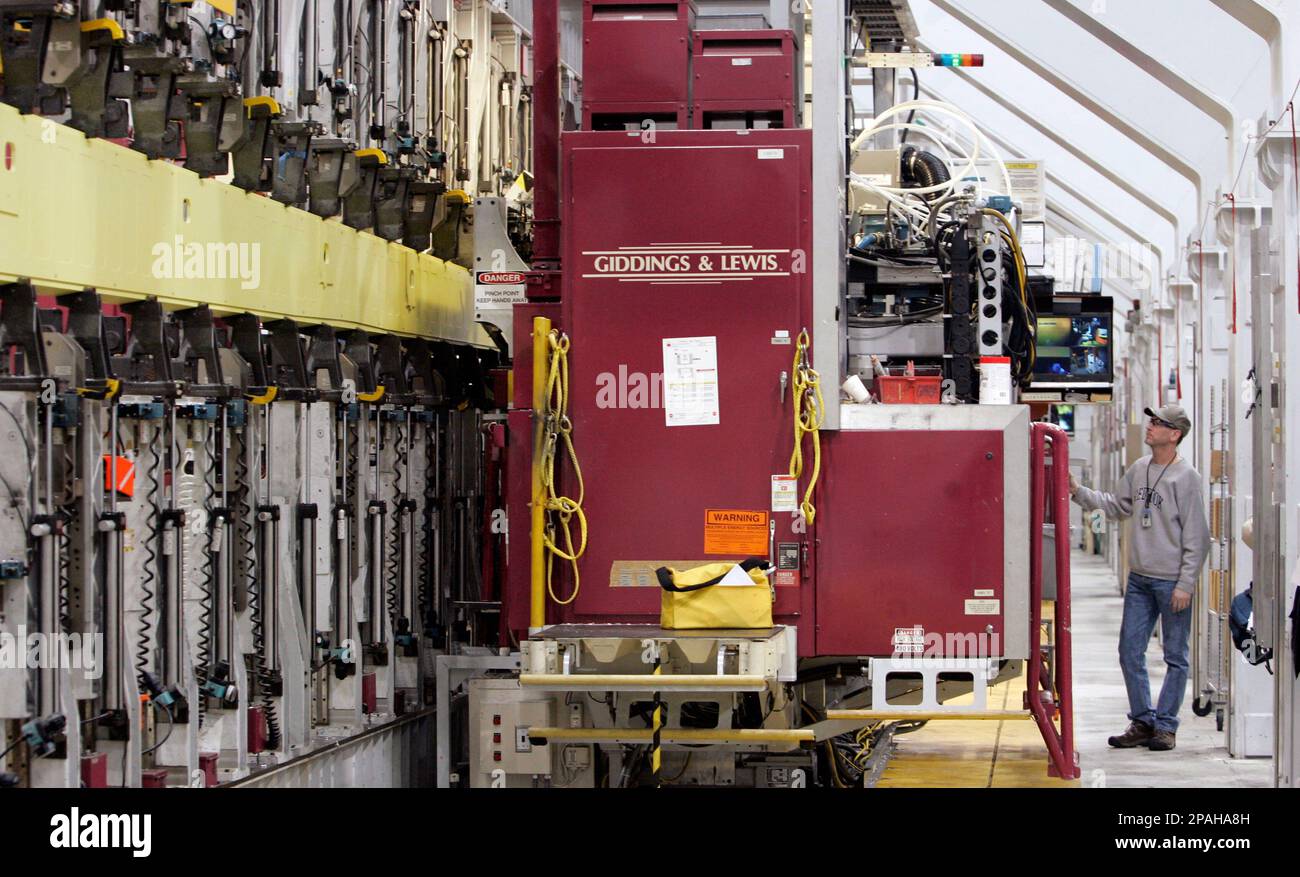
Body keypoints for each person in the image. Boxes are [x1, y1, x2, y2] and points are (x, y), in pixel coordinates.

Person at [1069, 404, 1210, 751]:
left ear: (1174, 434)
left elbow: (1197, 537)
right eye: (1150, 421)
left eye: (1158, 423)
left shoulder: (1186, 477)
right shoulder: (1139, 468)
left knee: (1175, 656)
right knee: (1130, 651)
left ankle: (1166, 726)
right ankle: (1143, 720)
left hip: (1171, 581)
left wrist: (1185, 583)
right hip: (1140, 579)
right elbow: (1116, 507)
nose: (1150, 426)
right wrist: (1077, 491)